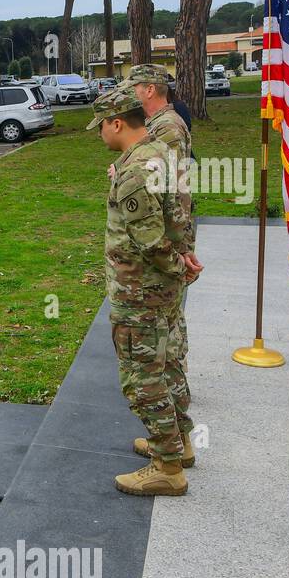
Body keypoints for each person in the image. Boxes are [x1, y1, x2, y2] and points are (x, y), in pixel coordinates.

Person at [88, 85, 198, 497]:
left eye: (101, 125)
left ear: (117, 123)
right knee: (169, 364)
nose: (99, 132)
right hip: (163, 289)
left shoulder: (136, 169)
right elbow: (179, 213)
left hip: (140, 292)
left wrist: (177, 266)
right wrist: (184, 259)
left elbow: (150, 239)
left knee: (142, 377)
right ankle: (179, 442)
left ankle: (167, 468)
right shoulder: (158, 154)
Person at [125, 64, 200, 461]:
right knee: (165, 343)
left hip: (166, 245)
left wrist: (179, 252)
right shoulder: (161, 123)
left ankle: (172, 446)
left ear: (150, 88)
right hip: (170, 242)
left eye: (134, 86)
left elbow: (167, 190)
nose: (130, 93)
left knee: (164, 346)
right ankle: (175, 440)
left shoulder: (167, 127)